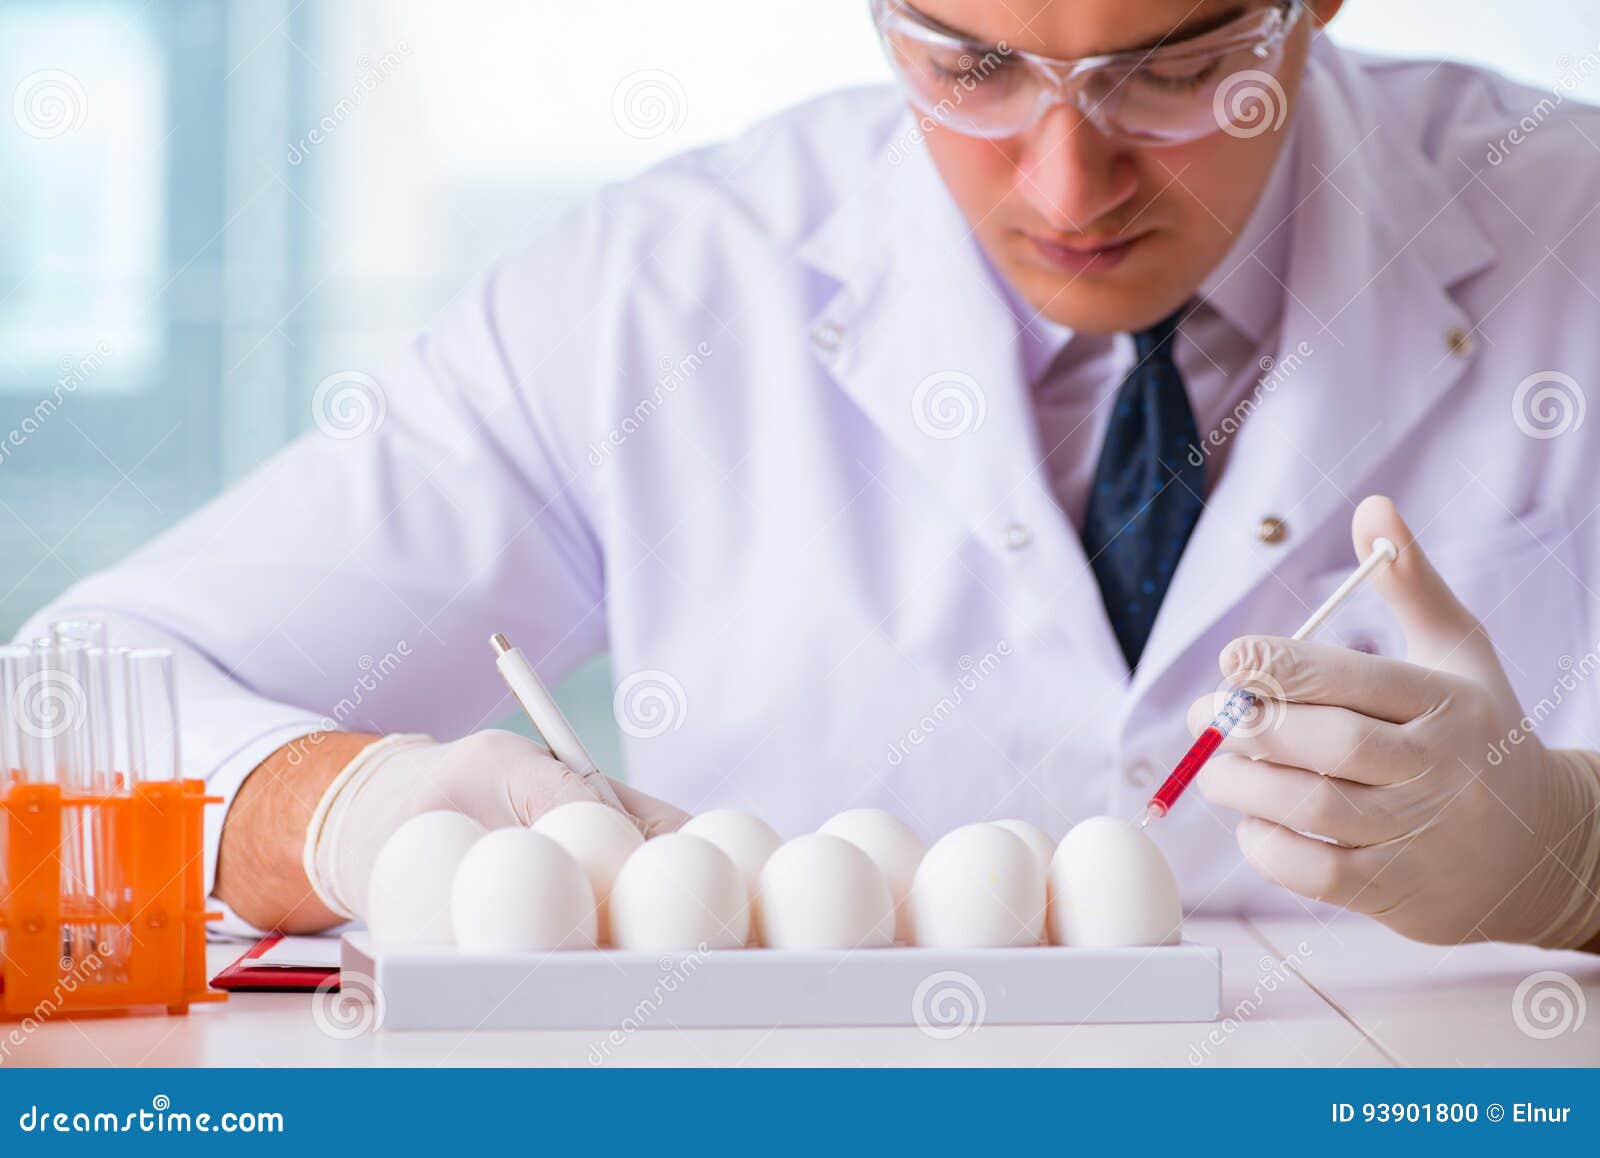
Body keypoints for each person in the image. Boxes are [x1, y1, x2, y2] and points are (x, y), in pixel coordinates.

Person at [22, 0, 1600, 951]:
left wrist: (1574, 860)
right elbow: (62, 702)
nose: (1069, 183)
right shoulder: (659, 298)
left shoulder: (1571, 231)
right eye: (972, 67)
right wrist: (351, 816)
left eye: (1173, 69)